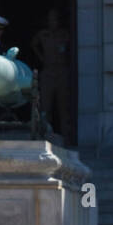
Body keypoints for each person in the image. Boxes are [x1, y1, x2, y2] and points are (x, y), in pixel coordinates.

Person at [31, 9, 72, 141]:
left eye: (55, 19)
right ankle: (46, 138)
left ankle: (67, 139)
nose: (53, 22)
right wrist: (41, 58)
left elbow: (71, 47)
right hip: (48, 72)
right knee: (46, 107)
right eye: (50, 19)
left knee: (64, 107)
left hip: (61, 72)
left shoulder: (64, 34)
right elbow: (33, 45)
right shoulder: (43, 34)